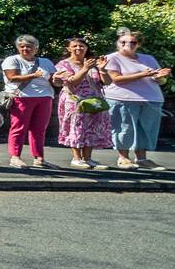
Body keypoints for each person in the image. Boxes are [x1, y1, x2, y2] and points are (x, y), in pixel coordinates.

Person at [103, 29, 170, 170]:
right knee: (124, 128)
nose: (128, 44)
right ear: (117, 44)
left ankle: (142, 159)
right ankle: (123, 158)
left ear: (138, 44)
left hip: (151, 99)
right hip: (123, 99)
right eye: (124, 42)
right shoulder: (112, 58)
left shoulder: (149, 58)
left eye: (133, 42)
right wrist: (142, 74)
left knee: (146, 130)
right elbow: (116, 79)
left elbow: (160, 81)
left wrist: (159, 77)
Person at [54, 37, 113, 169]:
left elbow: (107, 82)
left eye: (81, 46)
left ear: (86, 48)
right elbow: (72, 81)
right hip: (75, 101)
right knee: (76, 128)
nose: (78, 48)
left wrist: (102, 69)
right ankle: (76, 158)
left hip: (95, 102)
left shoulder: (92, 63)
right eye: (74, 46)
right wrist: (85, 68)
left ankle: (88, 158)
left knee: (92, 128)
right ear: (68, 48)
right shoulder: (63, 65)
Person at [2, 34, 57, 168]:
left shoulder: (46, 62)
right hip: (22, 97)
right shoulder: (12, 60)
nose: (25, 49)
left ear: (36, 49)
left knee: (39, 129)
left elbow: (54, 80)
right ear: (18, 48)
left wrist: (60, 78)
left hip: (44, 97)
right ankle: (15, 157)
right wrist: (34, 75)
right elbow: (12, 77)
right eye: (22, 46)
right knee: (19, 128)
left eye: (29, 46)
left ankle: (39, 158)